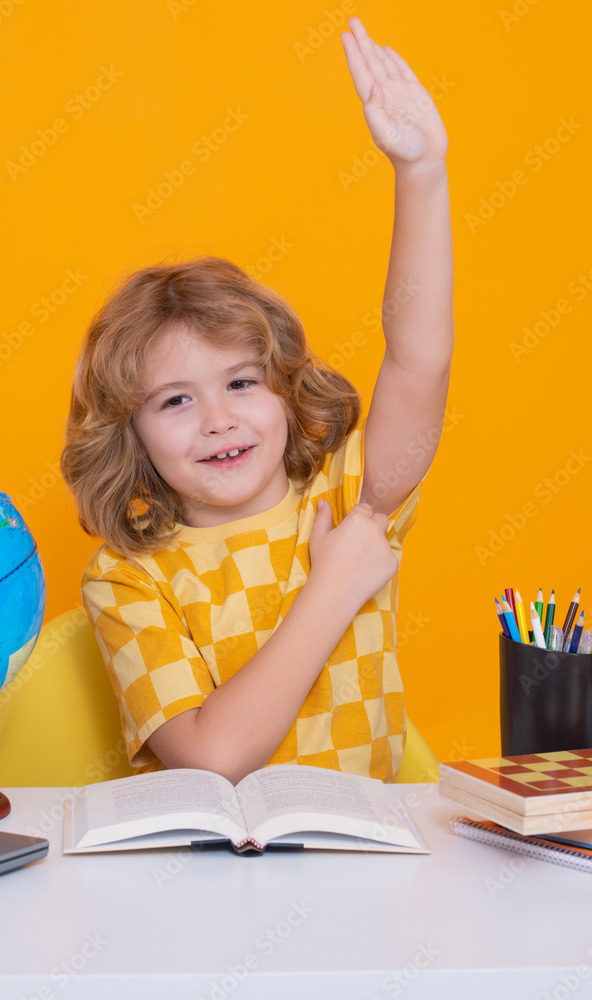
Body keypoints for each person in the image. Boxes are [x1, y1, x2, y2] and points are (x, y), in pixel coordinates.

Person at [61, 17, 453, 785]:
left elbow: (418, 357)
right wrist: (335, 583)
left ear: (283, 389)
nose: (219, 419)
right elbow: (214, 757)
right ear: (130, 434)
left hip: (356, 868)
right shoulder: (127, 576)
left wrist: (422, 173)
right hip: (203, 884)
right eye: (174, 401)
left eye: (242, 382)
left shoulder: (352, 500)